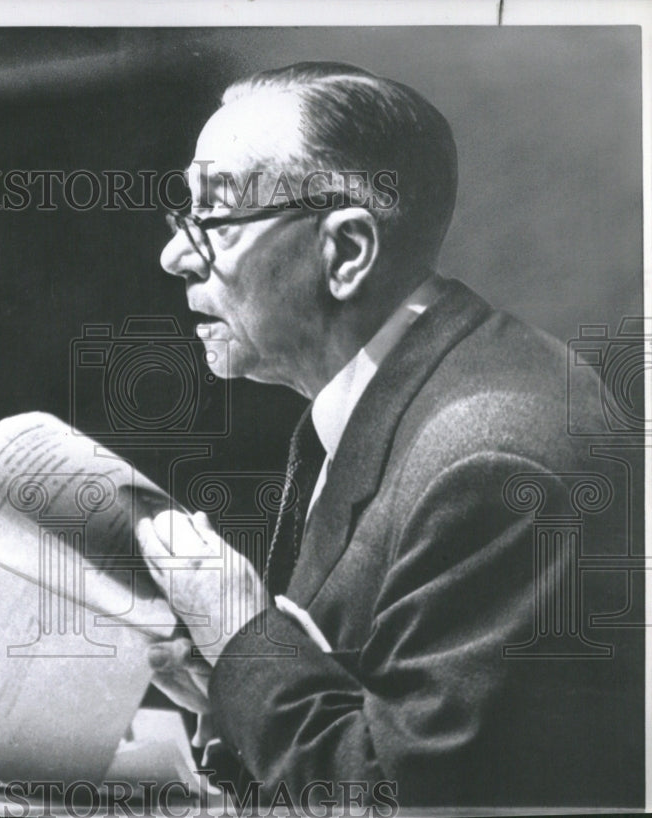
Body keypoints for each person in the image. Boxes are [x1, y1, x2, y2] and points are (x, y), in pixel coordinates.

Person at [134, 62, 643, 809]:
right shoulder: (418, 384)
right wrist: (232, 679)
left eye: (214, 219)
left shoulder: (494, 461)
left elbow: (396, 801)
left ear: (346, 253)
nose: (174, 256)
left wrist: (245, 631)